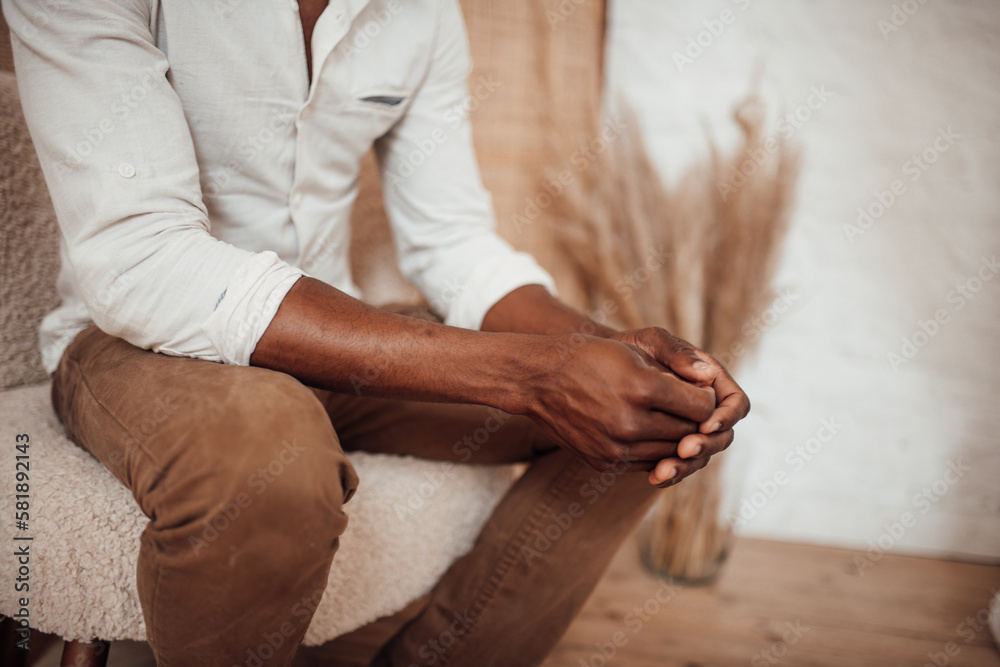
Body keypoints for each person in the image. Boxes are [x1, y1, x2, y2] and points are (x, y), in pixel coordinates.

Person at [4, 0, 750, 664]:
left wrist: (611, 356)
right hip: (141, 337)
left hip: (338, 338)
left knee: (645, 416)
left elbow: (450, 241)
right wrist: (534, 375)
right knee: (275, 451)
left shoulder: (423, 13)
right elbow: (144, 258)